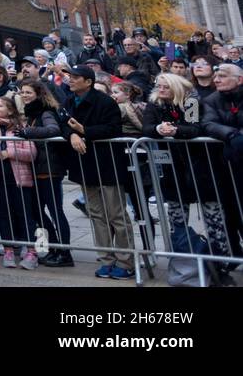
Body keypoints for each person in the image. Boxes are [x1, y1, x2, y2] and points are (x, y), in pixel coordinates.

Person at [143, 73, 232, 279]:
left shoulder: (191, 102)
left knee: (214, 219)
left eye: (165, 86)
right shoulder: (154, 105)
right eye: (158, 85)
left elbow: (194, 128)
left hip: (201, 168)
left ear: (176, 87)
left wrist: (175, 131)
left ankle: (221, 265)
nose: (161, 89)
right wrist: (158, 128)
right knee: (177, 219)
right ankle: (183, 261)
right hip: (173, 171)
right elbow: (146, 128)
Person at [62, 65, 135, 280]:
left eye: (76, 77)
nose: (71, 80)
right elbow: (61, 123)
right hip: (84, 166)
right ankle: (106, 259)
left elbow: (113, 129)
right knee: (96, 216)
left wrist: (85, 132)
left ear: (88, 81)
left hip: (108, 165)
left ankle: (126, 261)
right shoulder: (68, 101)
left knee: (116, 215)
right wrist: (72, 136)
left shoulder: (105, 102)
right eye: (70, 77)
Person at [0, 97, 39, 268]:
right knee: (4, 214)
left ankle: (32, 251)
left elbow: (31, 153)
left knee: (24, 214)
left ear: (10, 110)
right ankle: (8, 249)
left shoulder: (20, 127)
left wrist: (10, 152)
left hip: (19, 179)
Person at [18, 80, 72, 267]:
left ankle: (65, 253)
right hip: (38, 169)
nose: (24, 95)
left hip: (49, 169)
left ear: (38, 94)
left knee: (55, 211)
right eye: (22, 92)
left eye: (28, 92)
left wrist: (27, 132)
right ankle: (56, 245)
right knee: (37, 211)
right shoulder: (32, 113)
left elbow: (52, 130)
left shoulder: (46, 111)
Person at [203, 63, 243, 263]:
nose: (217, 79)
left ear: (239, 79)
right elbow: (208, 124)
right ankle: (233, 253)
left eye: (223, 76)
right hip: (225, 163)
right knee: (231, 208)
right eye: (216, 76)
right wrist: (232, 134)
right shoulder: (210, 100)